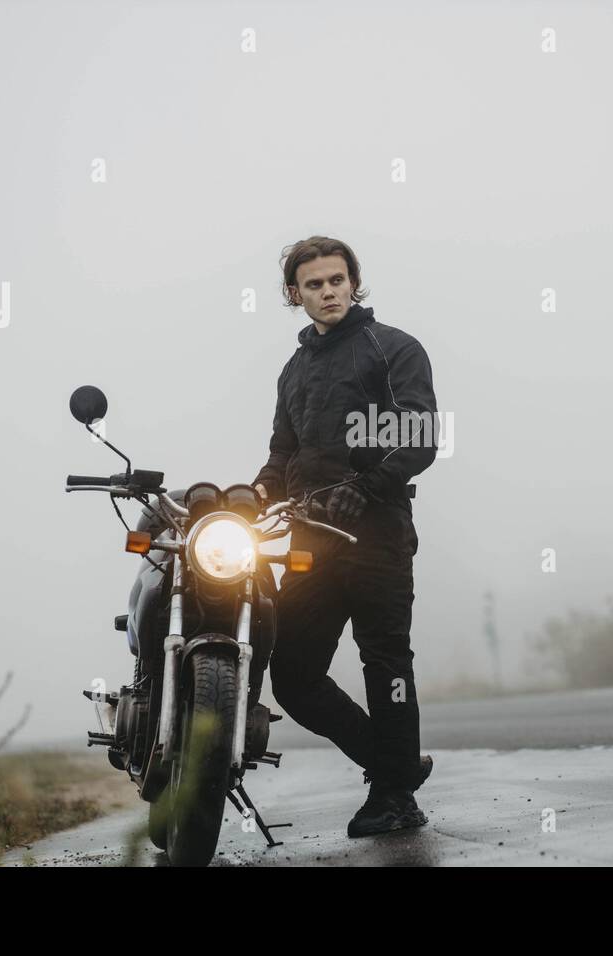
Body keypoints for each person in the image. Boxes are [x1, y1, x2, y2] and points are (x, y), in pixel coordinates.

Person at [253, 235, 439, 837]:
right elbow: (284, 453)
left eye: (337, 280)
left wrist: (369, 485)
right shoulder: (295, 368)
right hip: (309, 541)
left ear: (354, 283)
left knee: (385, 662)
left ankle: (394, 799)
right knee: (294, 675)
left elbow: (419, 437)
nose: (328, 291)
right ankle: (397, 768)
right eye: (314, 284)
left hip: (378, 533)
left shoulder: (394, 348)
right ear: (293, 294)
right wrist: (252, 496)